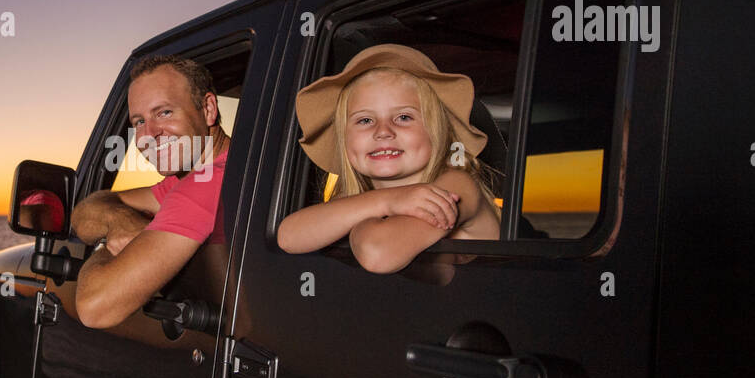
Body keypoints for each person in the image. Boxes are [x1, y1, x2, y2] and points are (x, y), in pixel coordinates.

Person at [279, 44, 500, 273]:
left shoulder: (457, 185)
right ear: (344, 139)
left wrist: (367, 216)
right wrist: (387, 200)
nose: (383, 131)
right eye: (364, 120)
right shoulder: (370, 200)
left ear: (437, 131)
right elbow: (288, 237)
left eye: (403, 117)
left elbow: (377, 253)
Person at [70, 55, 230, 329]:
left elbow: (94, 308)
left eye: (164, 112)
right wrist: (122, 223)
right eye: (139, 122)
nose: (149, 134)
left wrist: (109, 246)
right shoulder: (195, 174)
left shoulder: (206, 184)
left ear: (208, 109)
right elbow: (89, 208)